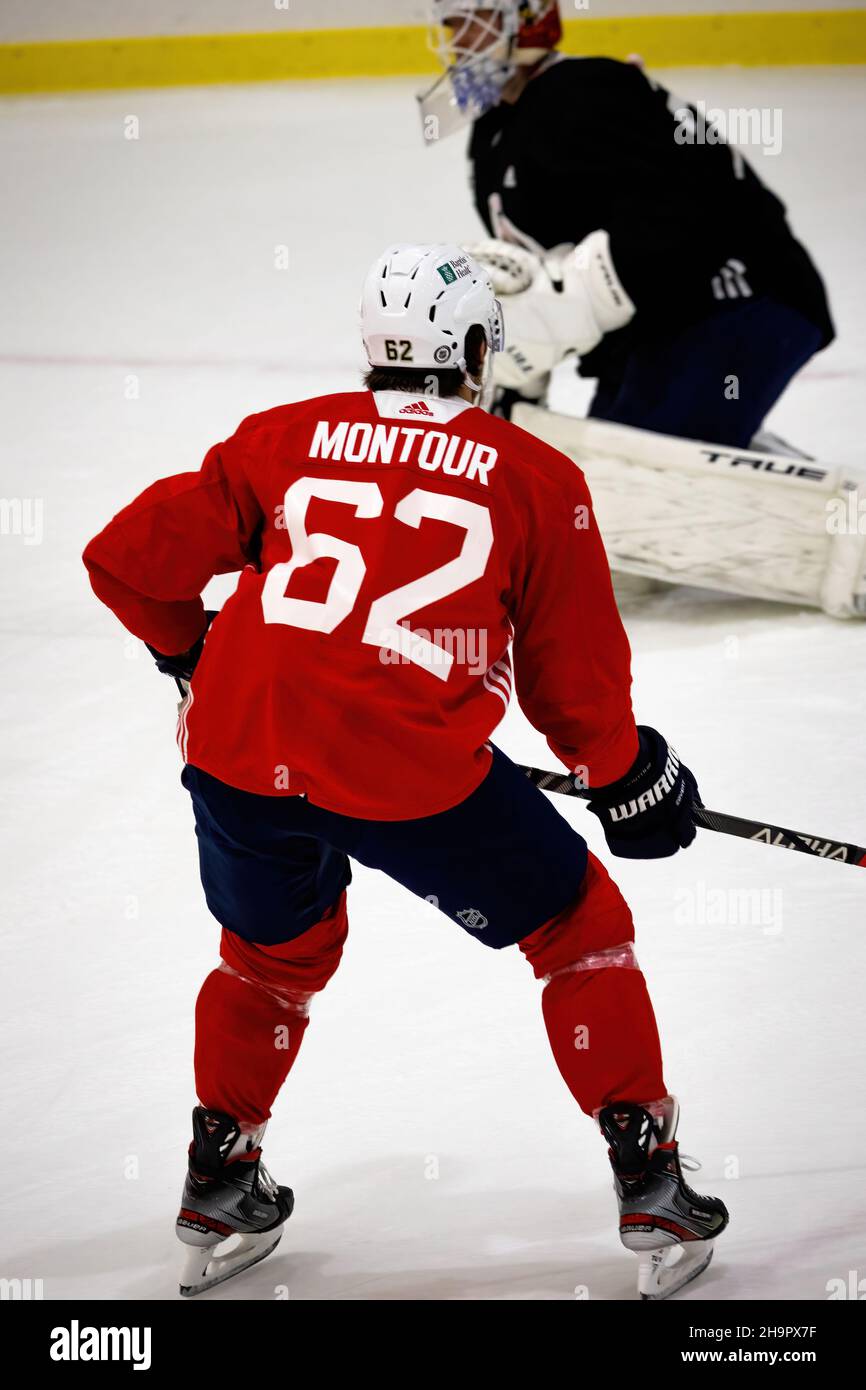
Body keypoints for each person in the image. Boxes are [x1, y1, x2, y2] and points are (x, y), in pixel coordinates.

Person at [83, 242, 727, 1301]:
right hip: (410, 772)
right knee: (576, 928)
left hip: (240, 756)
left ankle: (219, 1172)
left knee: (266, 957)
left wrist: (191, 657)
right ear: (475, 350)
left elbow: (122, 557)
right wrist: (626, 773)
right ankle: (648, 1177)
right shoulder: (536, 475)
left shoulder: (278, 438)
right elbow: (570, 689)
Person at [419, 2, 834, 449]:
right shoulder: (495, 132)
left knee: (649, 470)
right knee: (607, 470)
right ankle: (743, 450)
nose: (458, 42)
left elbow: (693, 209)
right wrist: (524, 373)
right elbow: (537, 263)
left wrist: (574, 297)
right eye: (451, 26)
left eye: (472, 25)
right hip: (654, 320)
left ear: (527, 19)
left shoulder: (584, 92)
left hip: (739, 301)